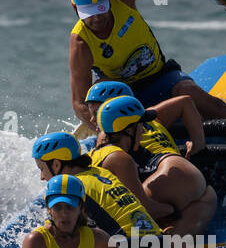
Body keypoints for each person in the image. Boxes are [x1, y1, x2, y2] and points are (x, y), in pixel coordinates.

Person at [67, 0, 226, 130]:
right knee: (99, 90)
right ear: (75, 8)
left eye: (101, 9)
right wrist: (101, 128)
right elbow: (79, 102)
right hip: (125, 94)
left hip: (161, 76)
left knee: (190, 92)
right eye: (89, 13)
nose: (97, 18)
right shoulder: (81, 43)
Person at [31, 132, 170, 248]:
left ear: (55, 164)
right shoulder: (101, 173)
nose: (41, 177)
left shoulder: (71, 188)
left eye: (42, 169)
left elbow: (54, 241)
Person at [92, 95, 217, 239]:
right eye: (141, 126)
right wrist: (174, 210)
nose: (144, 131)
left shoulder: (98, 152)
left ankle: (168, 242)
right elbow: (146, 210)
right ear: (130, 130)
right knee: (208, 198)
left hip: (104, 229)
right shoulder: (120, 158)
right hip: (176, 175)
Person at [84, 80, 206, 177]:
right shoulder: (149, 116)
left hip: (160, 177)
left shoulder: (105, 136)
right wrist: (198, 144)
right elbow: (185, 101)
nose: (92, 120)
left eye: (96, 113)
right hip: (186, 168)